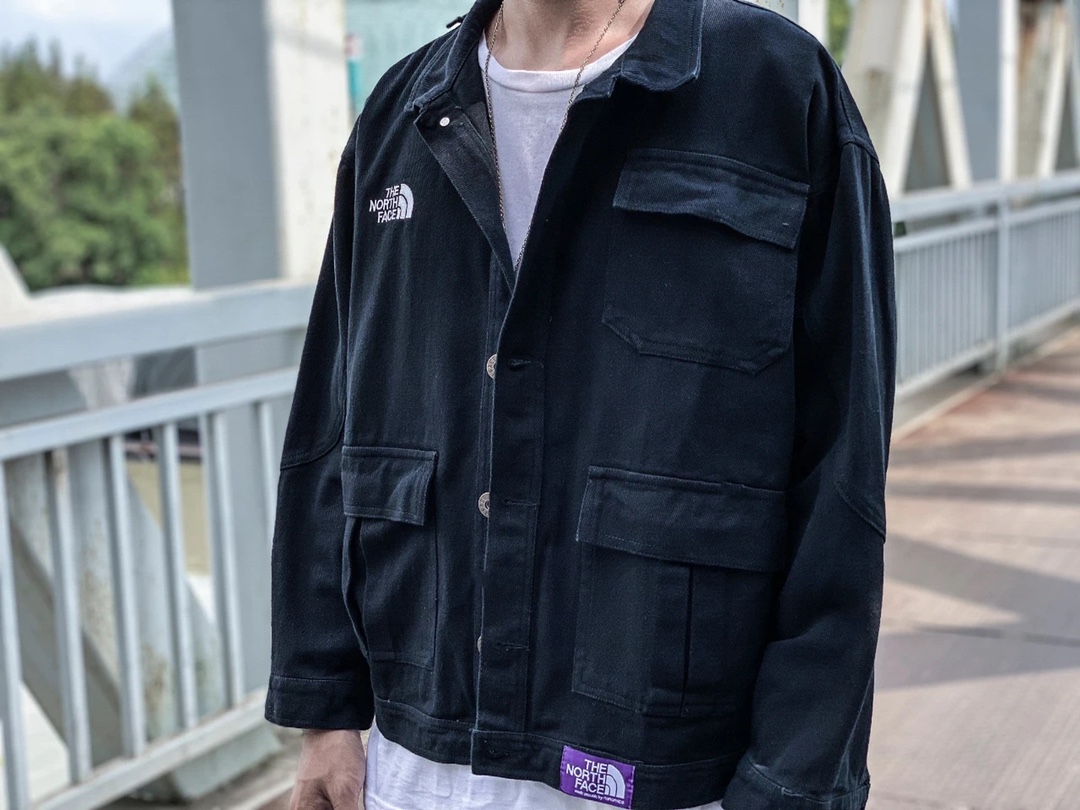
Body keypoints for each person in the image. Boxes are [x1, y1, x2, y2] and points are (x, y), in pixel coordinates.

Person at [265, 0, 898, 808]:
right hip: (418, 761)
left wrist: (795, 782)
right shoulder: (402, 109)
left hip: (673, 766)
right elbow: (331, 423)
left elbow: (843, 473)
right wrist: (324, 714)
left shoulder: (778, 87)